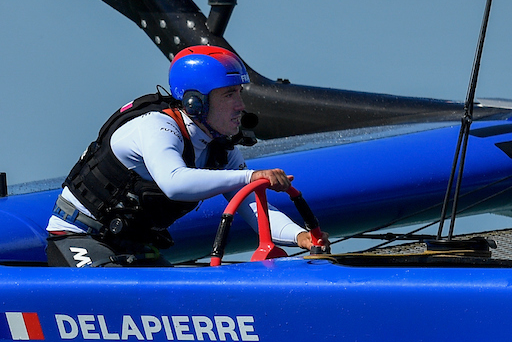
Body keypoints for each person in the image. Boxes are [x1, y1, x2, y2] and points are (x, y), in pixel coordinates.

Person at [46, 45, 320, 267]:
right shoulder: (157, 127)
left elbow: (252, 206)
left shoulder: (220, 149)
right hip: (77, 236)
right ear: (196, 102)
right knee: (124, 299)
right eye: (229, 95)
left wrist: (300, 236)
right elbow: (174, 183)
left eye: (239, 93)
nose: (240, 106)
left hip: (132, 245)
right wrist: (251, 176)